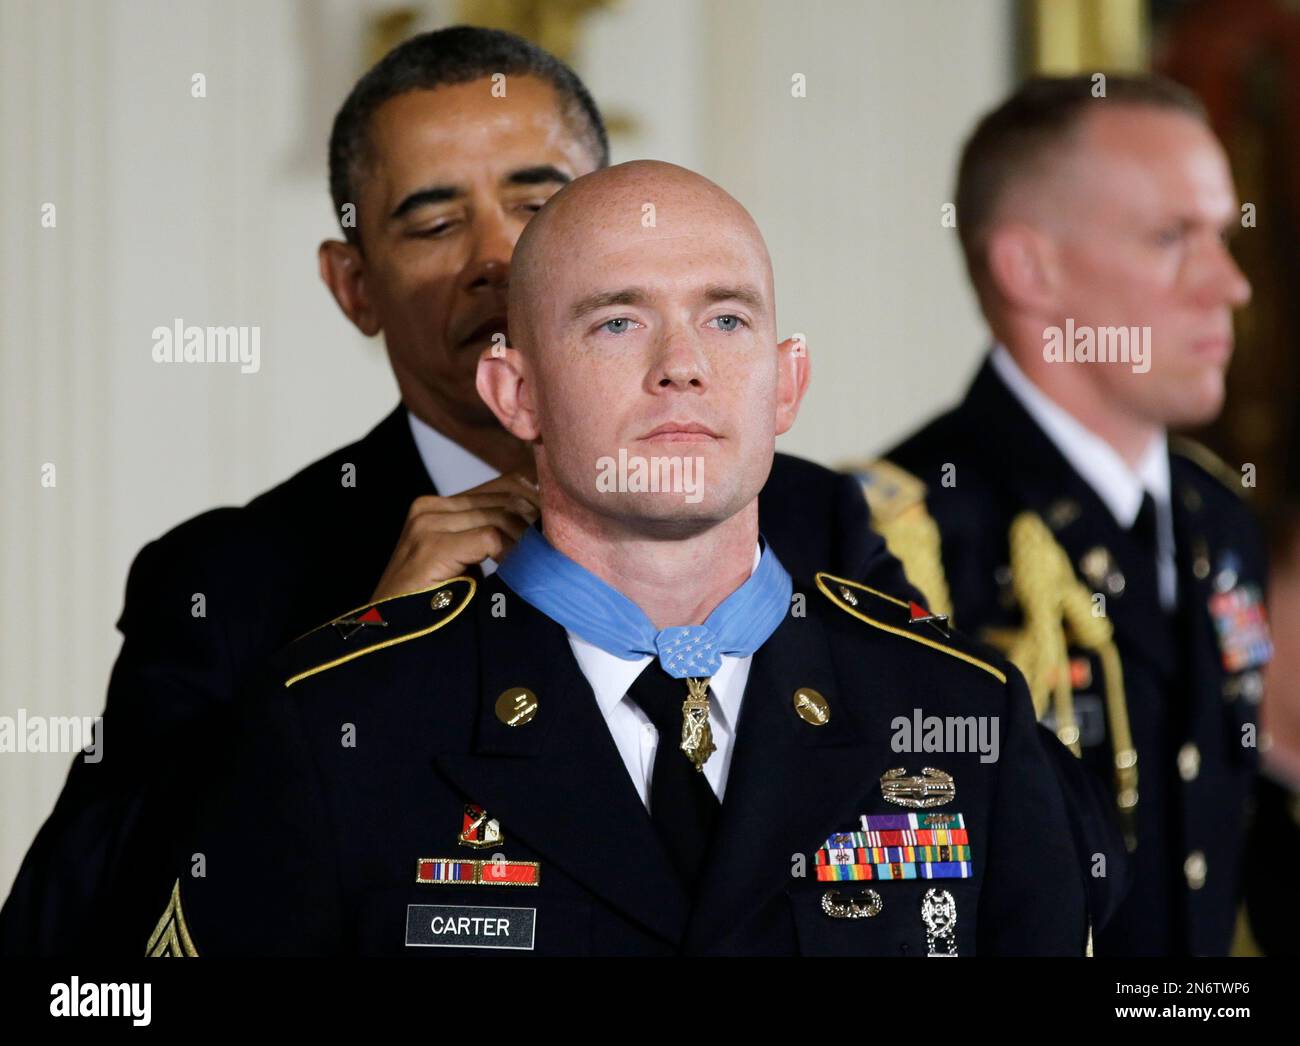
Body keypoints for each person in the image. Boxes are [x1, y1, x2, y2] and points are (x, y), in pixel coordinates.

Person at [0, 27, 907, 955]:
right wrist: (352, 664)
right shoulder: (234, 579)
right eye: (435, 223)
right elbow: (70, 945)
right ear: (354, 285)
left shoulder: (808, 521)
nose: (499, 255)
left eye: (540, 202)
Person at [133, 161, 1086, 957]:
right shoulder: (337, 719)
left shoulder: (961, 709)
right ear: (515, 394)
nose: (683, 363)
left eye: (726, 319)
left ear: (785, 384)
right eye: (617, 322)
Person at [856, 75, 1271, 956]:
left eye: (1222, 236)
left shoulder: (1216, 520)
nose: (1229, 285)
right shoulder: (902, 539)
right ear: (1029, 268)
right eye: (1172, 239)